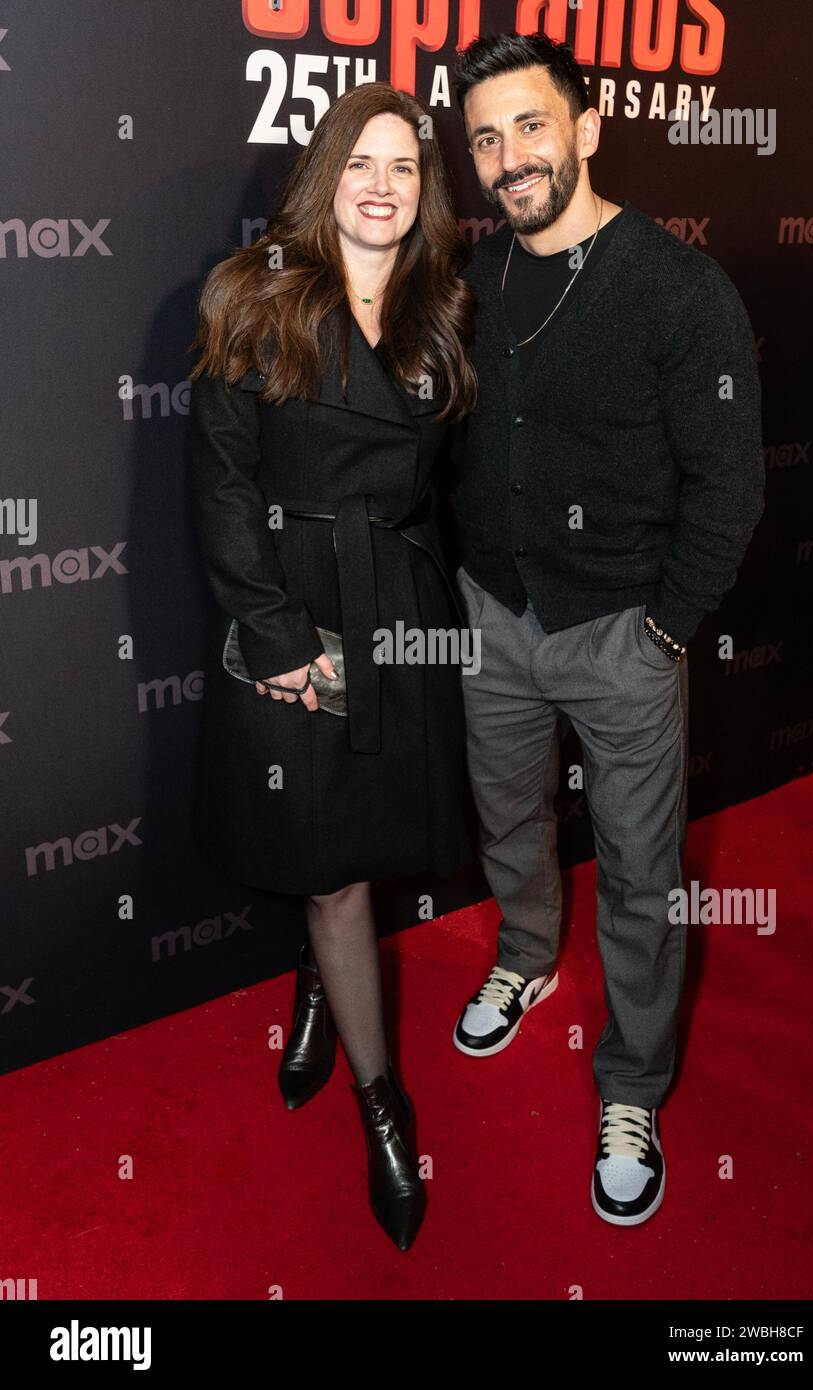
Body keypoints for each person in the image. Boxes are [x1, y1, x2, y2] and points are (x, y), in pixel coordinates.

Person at [447, 34, 764, 1225]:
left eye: (530, 126)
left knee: (638, 870)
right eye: (484, 137)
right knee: (506, 814)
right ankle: (526, 958)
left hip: (620, 632)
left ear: (585, 129)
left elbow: (728, 485)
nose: (508, 156)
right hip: (493, 615)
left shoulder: (677, 288)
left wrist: (664, 632)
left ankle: (631, 1080)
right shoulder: (476, 275)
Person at [186, 81, 477, 1250]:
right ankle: (381, 1099)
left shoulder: (440, 307)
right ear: (324, 173)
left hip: (397, 608)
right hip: (290, 612)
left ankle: (322, 981)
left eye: (404, 165)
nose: (381, 183)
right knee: (327, 872)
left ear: (425, 188)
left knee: (362, 851)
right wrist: (273, 635)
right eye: (361, 160)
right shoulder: (255, 296)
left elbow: (450, 484)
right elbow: (218, 482)